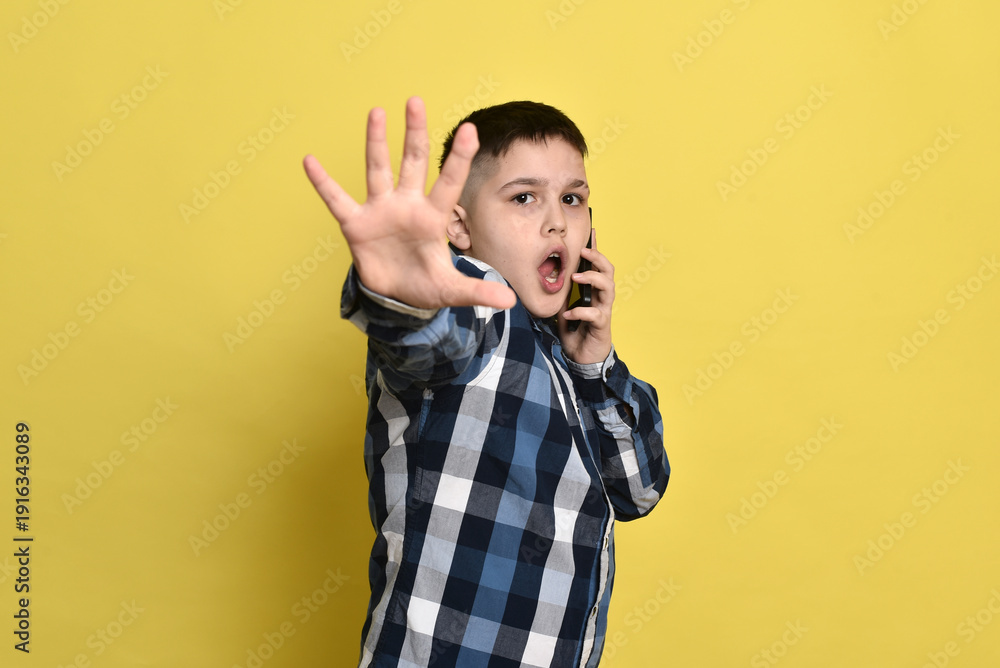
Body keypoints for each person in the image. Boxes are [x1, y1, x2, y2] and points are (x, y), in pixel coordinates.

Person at [303, 96, 670, 668]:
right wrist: (404, 289)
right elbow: (428, 334)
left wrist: (595, 367)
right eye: (524, 198)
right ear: (459, 226)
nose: (556, 221)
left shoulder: (570, 363)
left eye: (572, 199)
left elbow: (639, 489)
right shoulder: (479, 307)